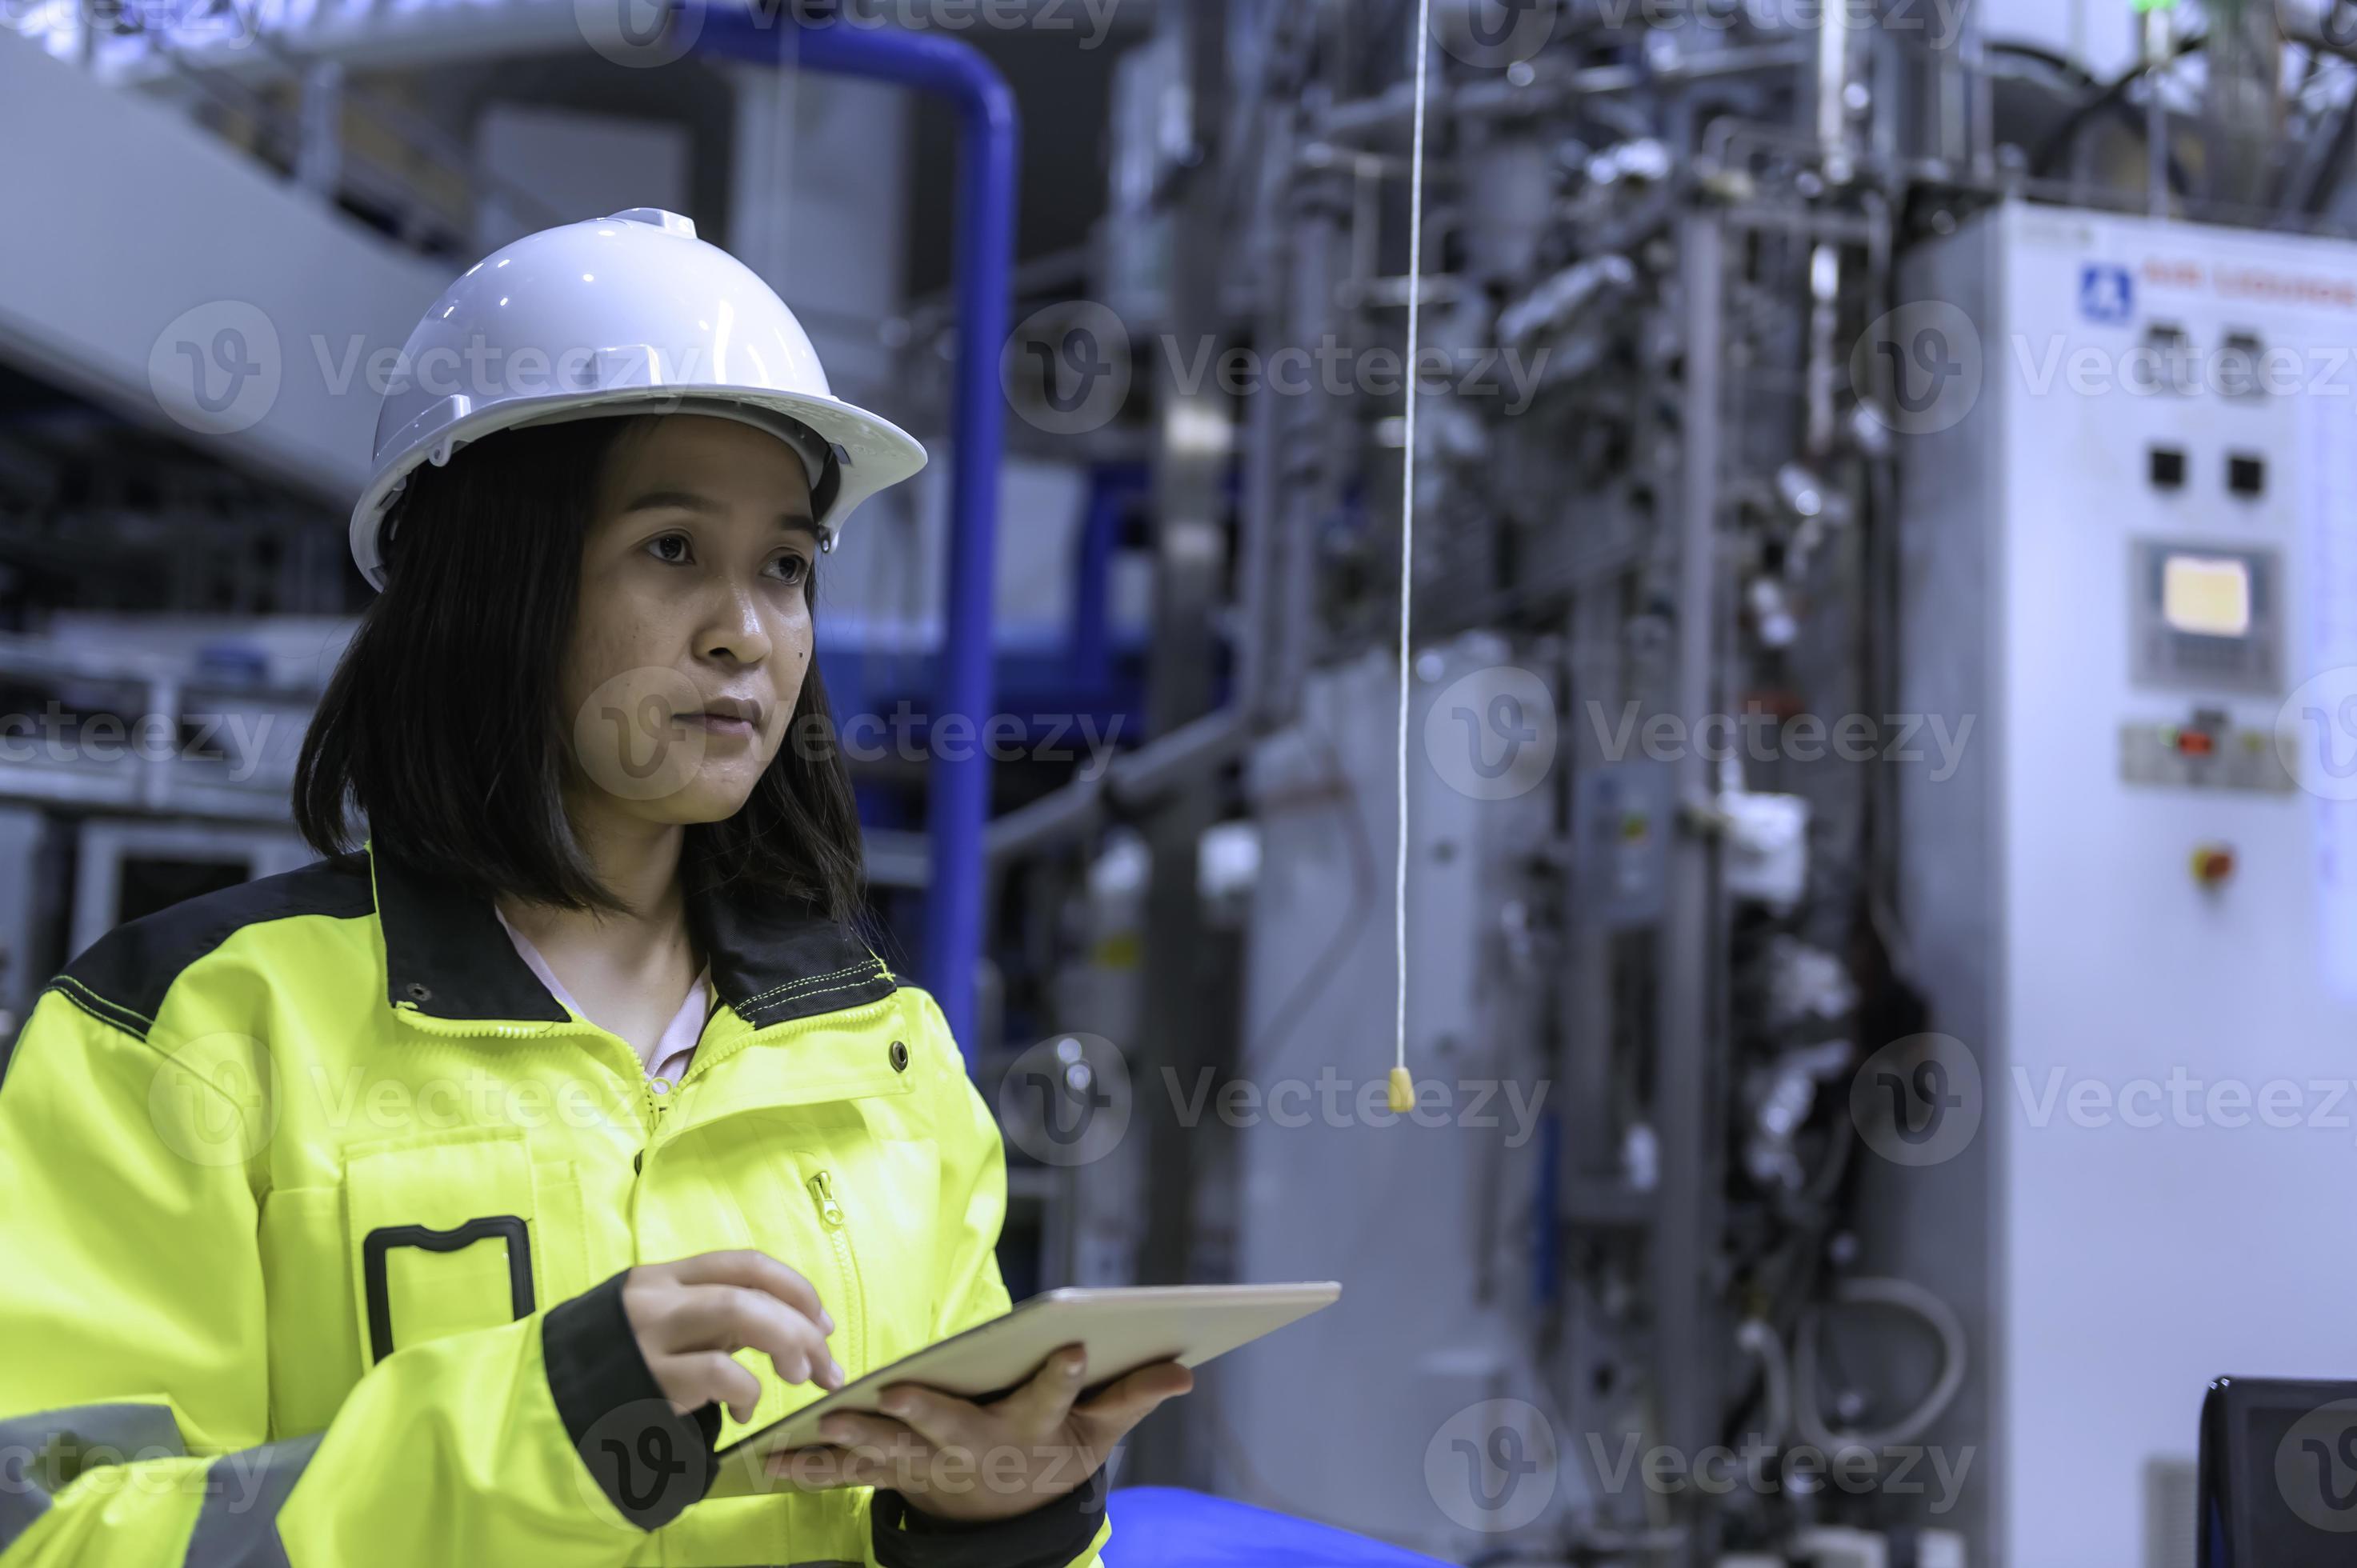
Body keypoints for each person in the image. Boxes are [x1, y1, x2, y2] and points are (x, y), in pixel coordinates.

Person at [0, 208, 1190, 1566]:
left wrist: (998, 1518)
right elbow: (53, 1532)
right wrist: (539, 1431)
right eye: (672, 548)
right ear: (492, 583)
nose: (746, 630)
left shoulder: (883, 1057)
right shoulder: (196, 1038)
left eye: (786, 567)